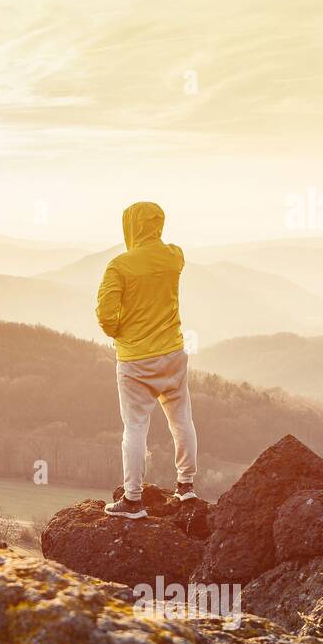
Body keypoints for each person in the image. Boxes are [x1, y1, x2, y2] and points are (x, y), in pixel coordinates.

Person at [95, 201, 198, 518]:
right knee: (181, 420)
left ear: (130, 227)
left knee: (135, 429)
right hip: (173, 353)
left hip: (136, 360)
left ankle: (133, 500)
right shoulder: (174, 256)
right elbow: (175, 256)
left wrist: (119, 332)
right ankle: (186, 486)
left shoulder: (119, 266)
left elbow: (105, 313)